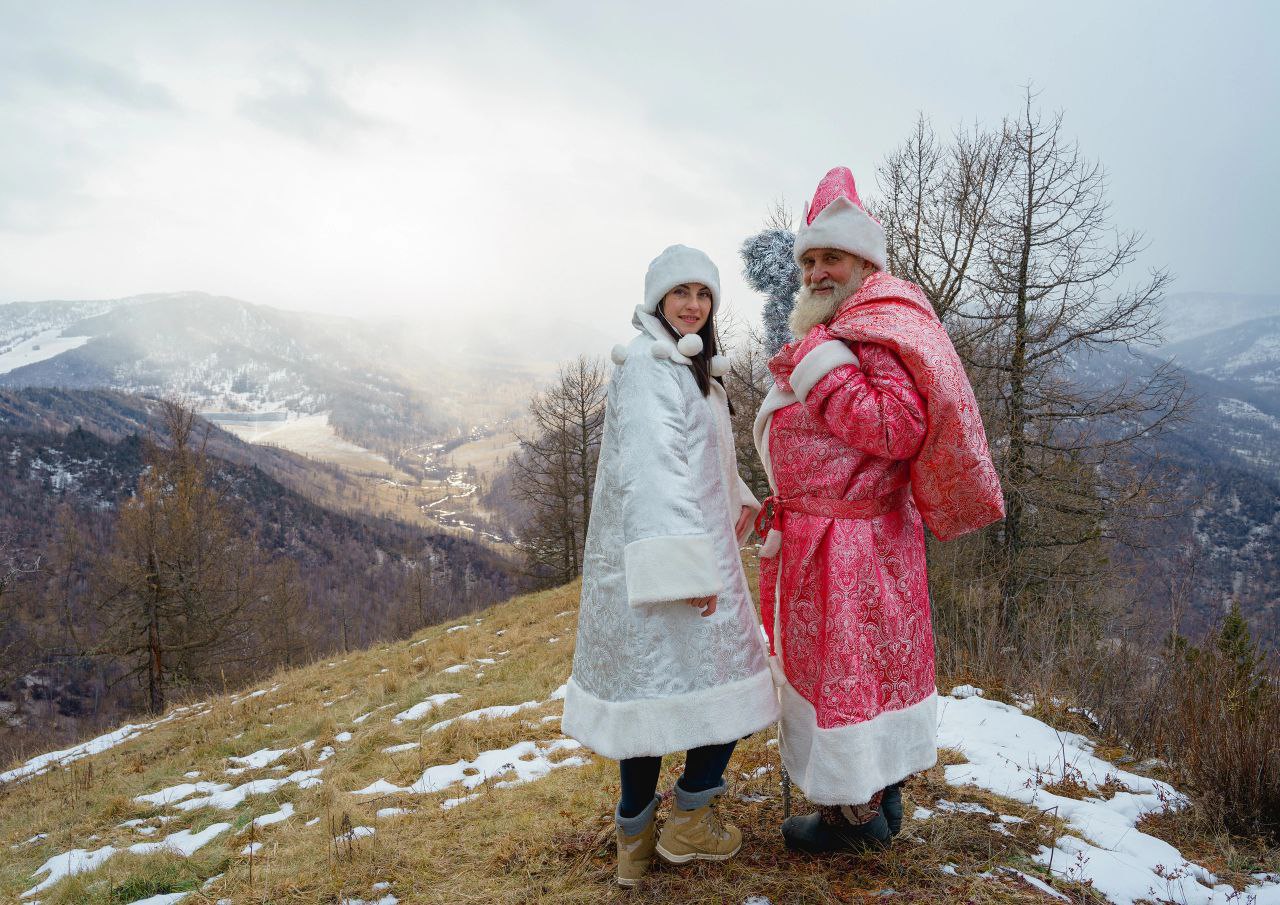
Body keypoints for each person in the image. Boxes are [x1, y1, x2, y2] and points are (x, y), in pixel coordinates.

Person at [752, 167, 1005, 854]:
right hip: (837, 537)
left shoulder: (875, 323)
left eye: (830, 256)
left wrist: (819, 367)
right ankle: (879, 797)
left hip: (852, 541)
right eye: (808, 260)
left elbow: (897, 426)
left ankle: (852, 822)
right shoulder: (851, 322)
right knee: (859, 673)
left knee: (846, 676)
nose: (816, 270)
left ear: (866, 259)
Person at [562, 244, 780, 886]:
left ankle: (637, 843)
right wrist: (689, 574)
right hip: (678, 564)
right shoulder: (654, 363)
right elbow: (657, 475)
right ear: (658, 300)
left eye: (704, 295)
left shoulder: (686, 368)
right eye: (681, 293)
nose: (693, 305)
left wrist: (744, 506)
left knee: (657, 698)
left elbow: (703, 462)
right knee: (721, 686)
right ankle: (688, 820)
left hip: (689, 554)